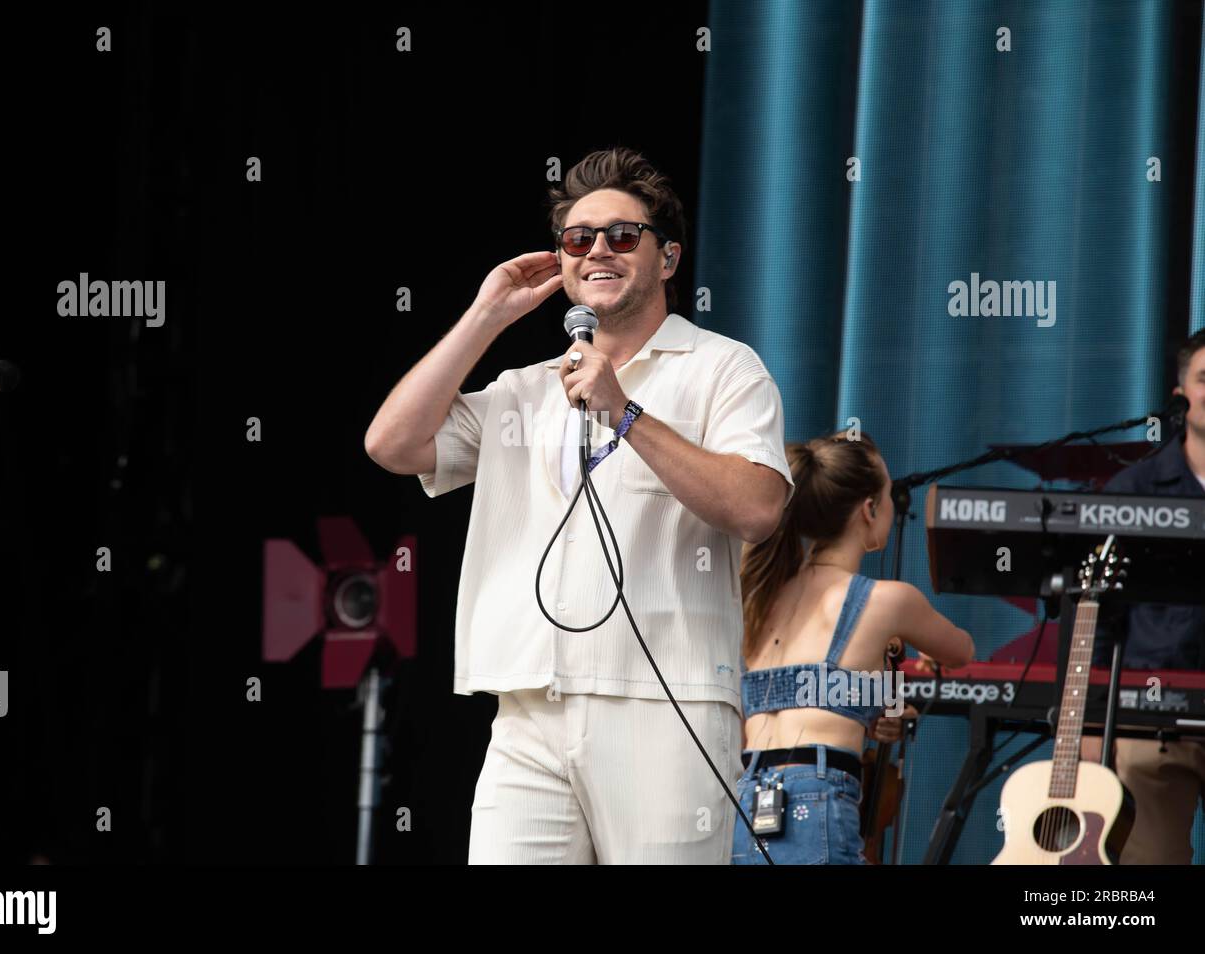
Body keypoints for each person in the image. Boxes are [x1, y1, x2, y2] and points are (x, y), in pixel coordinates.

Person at [365, 147, 793, 863]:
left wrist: (625, 413)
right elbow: (392, 444)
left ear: (667, 258)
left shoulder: (724, 367)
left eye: (623, 236)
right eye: (578, 238)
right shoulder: (525, 387)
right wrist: (484, 316)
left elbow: (759, 508)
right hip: (527, 704)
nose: (598, 249)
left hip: (667, 702)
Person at [731, 432, 974, 864]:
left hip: (746, 796)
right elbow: (961, 650)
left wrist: (879, 702)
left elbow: (809, 691)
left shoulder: (763, 592)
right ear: (869, 510)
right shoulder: (888, 600)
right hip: (816, 794)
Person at [1086, 328, 1205, 864]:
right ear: (1182, 391)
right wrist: (1091, 722)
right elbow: (1096, 616)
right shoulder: (1134, 489)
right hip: (1153, 717)